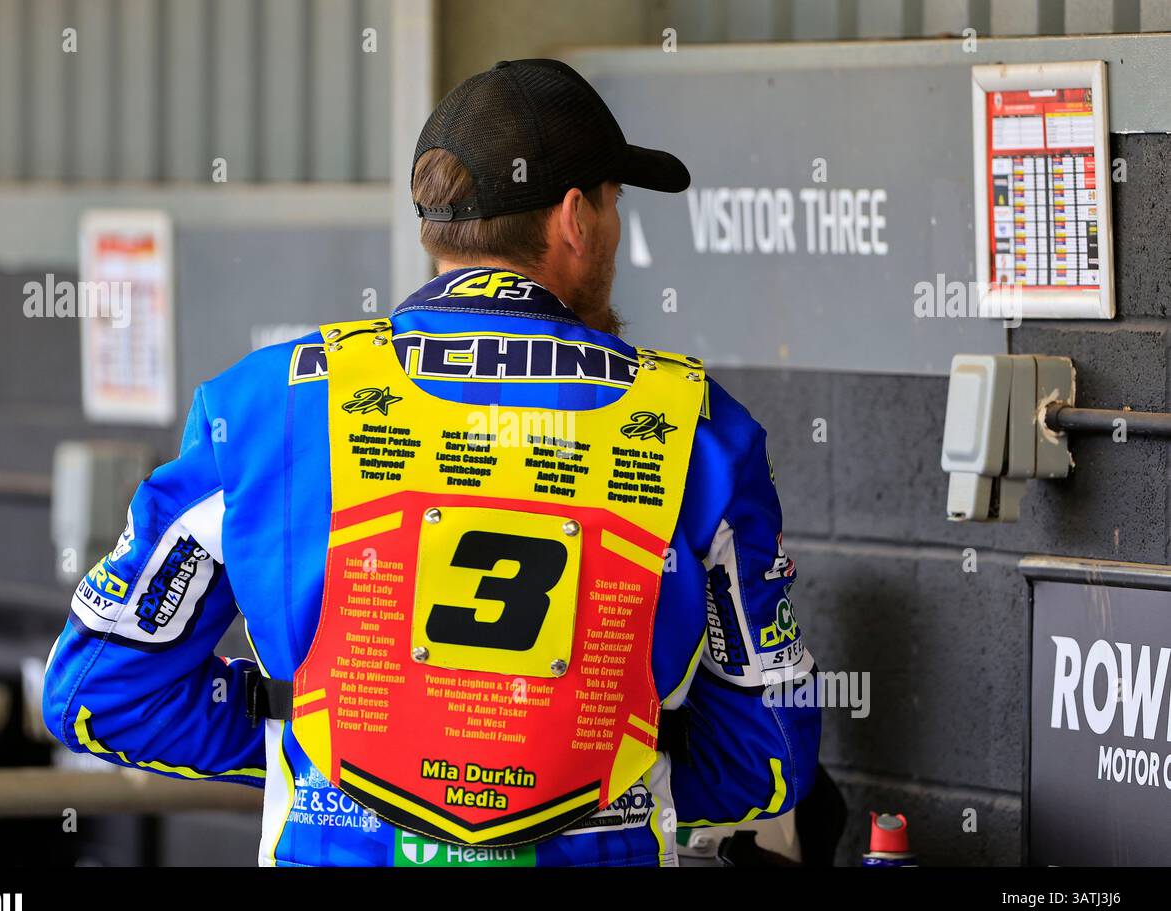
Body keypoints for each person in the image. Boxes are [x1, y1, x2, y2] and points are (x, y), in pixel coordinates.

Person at [43, 58, 820, 867]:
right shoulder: (695, 427)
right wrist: (619, 778)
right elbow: (769, 755)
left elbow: (101, 691)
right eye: (616, 206)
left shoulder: (264, 407)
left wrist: (316, 747)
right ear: (574, 219)